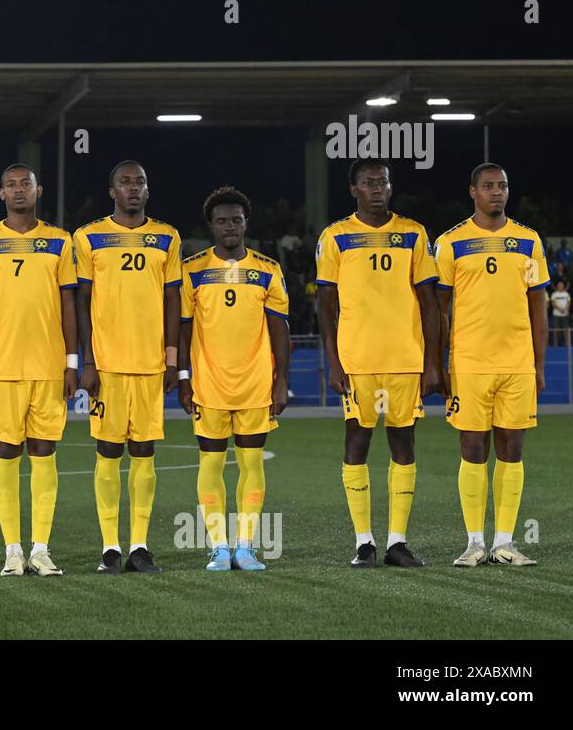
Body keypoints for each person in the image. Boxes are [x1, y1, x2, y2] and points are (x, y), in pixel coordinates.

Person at [316, 159, 442, 568]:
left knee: (403, 443)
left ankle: (397, 542)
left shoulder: (413, 233)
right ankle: (364, 542)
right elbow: (326, 303)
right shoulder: (336, 236)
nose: (377, 188)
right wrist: (333, 361)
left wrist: (432, 362)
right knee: (357, 441)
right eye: (368, 182)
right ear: (353, 189)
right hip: (358, 360)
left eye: (383, 181)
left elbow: (430, 303)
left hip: (405, 358)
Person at [0, 164, 79, 577]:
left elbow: (69, 304)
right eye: (11, 185)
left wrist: (71, 361)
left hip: (49, 367)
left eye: (25, 184)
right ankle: (12, 550)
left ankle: (41, 549)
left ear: (38, 190)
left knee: (44, 453)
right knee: (6, 452)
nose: (18, 191)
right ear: (1, 193)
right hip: (2, 368)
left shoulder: (59, 241)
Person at [435, 162, 548, 567]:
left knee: (512, 448)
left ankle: (504, 542)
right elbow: (440, 309)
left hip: (516, 362)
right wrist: (440, 362)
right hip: (469, 362)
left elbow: (539, 305)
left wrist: (538, 363)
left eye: (502, 186)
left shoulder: (528, 240)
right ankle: (473, 543)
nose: (496, 192)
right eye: (488, 186)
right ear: (473, 192)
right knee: (472, 447)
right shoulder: (451, 242)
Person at [74, 160, 181, 574]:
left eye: (140, 181)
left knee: (144, 452)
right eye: (125, 182)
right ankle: (109, 548)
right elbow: (82, 301)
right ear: (112, 191)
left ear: (148, 191)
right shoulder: (89, 237)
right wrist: (86, 359)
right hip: (107, 365)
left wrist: (172, 359)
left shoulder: (166, 237)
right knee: (107, 451)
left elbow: (174, 300)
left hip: (151, 364)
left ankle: (139, 546)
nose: (133, 188)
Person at [178, 186, 290, 571]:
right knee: (210, 464)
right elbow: (183, 330)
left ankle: (245, 546)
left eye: (236, 220)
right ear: (210, 225)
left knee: (251, 464)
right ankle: (218, 547)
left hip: (256, 386)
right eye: (222, 220)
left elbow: (280, 332)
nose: (230, 226)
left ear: (246, 224)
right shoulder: (192, 270)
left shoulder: (268, 269)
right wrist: (183, 377)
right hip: (208, 386)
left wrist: (280, 381)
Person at [549, 281, 571, 346]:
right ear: (557, 286)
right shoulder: (554, 294)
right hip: (556, 314)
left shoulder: (566, 294)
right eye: (559, 285)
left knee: (566, 329)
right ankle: (555, 343)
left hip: (565, 314)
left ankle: (567, 343)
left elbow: (569, 302)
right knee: (556, 329)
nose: (560, 286)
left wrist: (565, 308)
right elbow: (553, 304)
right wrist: (560, 309)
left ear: (563, 286)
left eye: (561, 285)